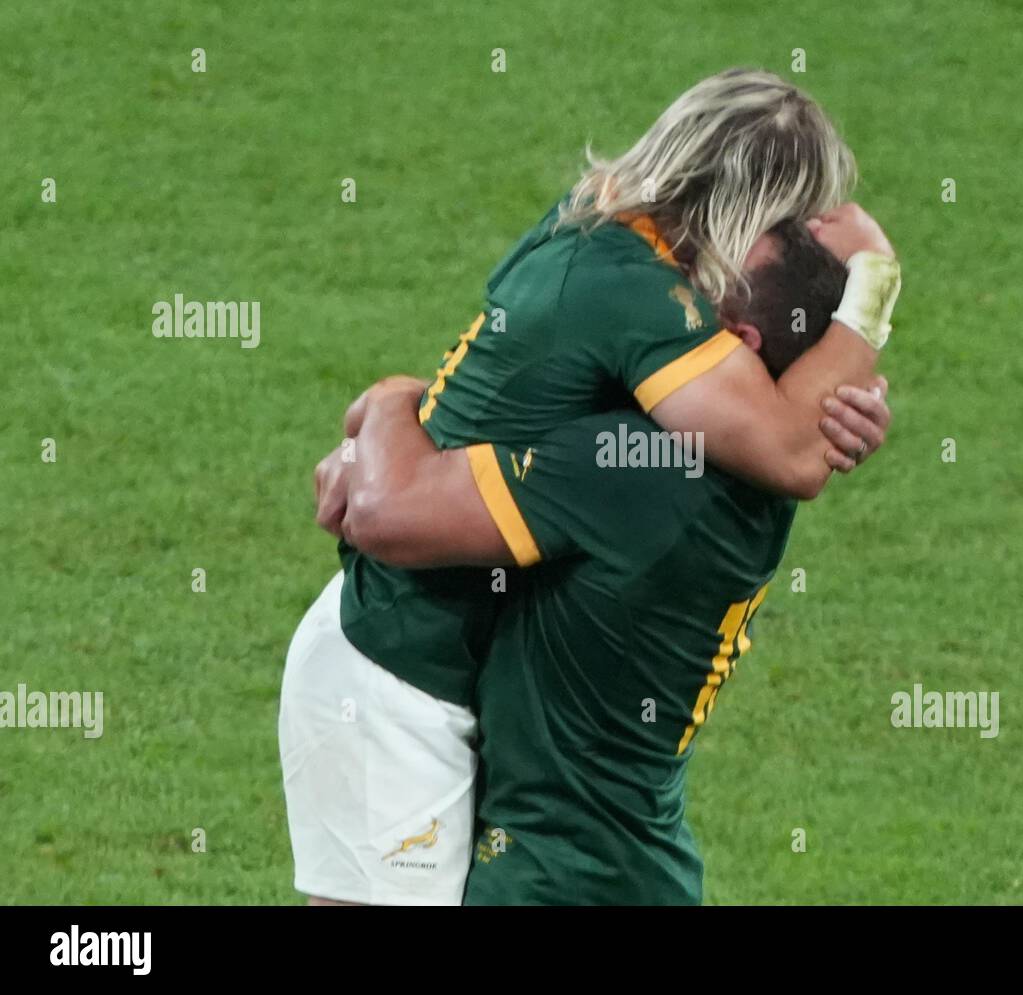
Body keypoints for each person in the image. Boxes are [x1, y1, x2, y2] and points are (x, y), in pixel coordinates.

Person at [283, 68, 899, 905]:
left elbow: (789, 430)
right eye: (791, 217)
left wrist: (389, 402)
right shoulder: (644, 304)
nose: (794, 240)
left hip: (445, 655)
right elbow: (791, 448)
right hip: (394, 674)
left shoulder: (609, 223)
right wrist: (870, 289)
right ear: (748, 202)